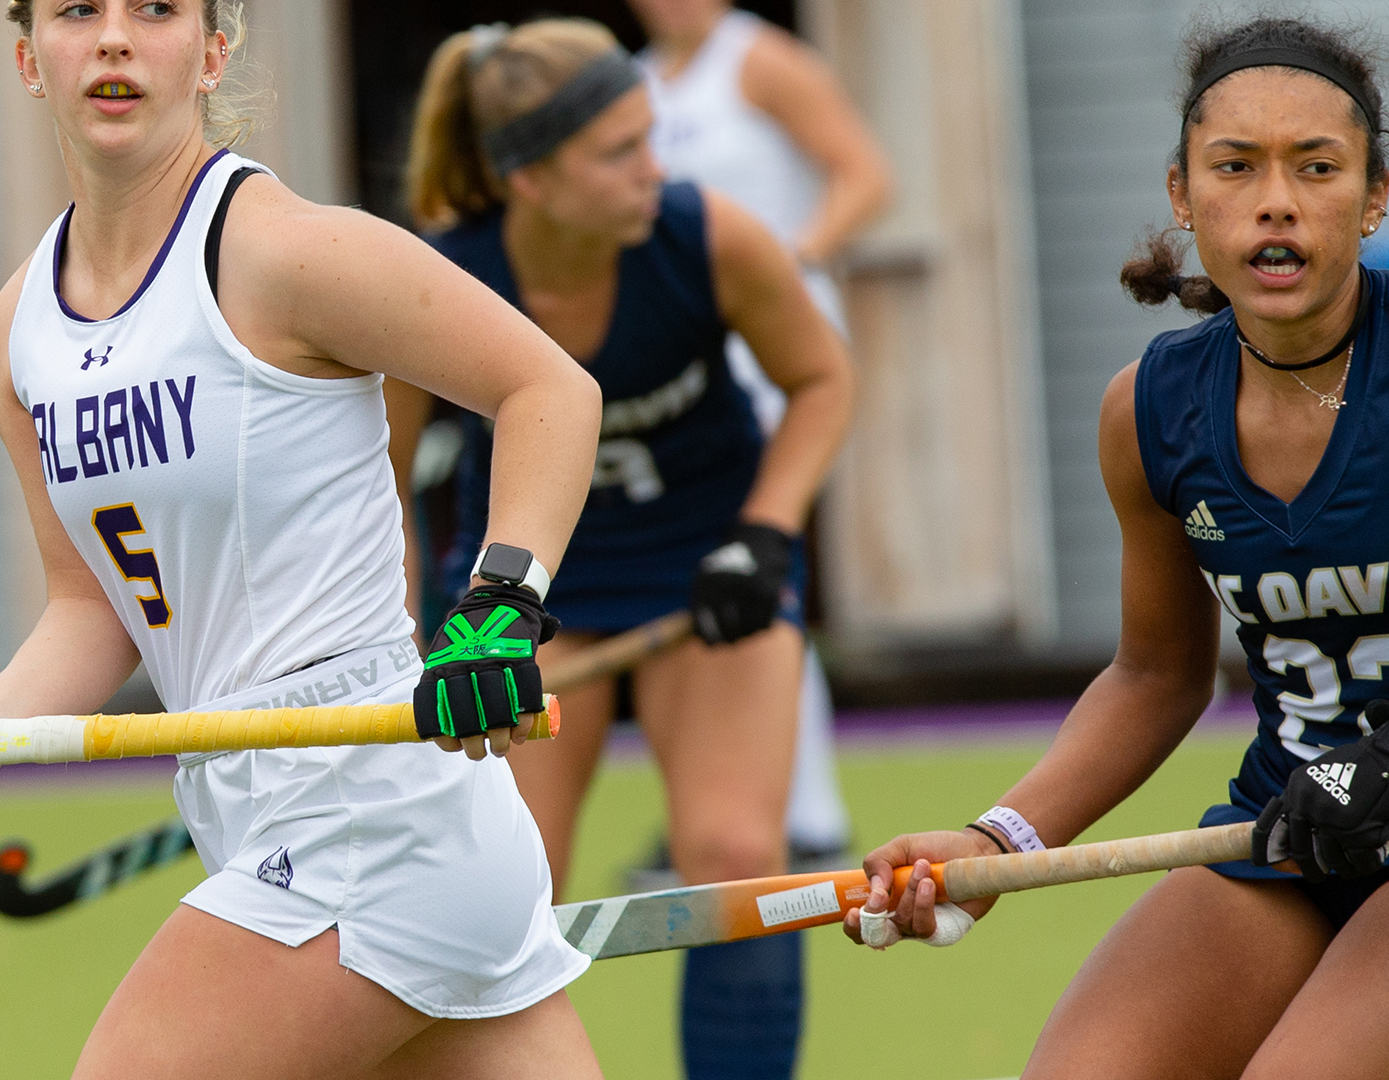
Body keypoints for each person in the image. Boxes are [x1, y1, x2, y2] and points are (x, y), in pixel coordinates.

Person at [846, 15, 1389, 1080]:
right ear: (1181, 193)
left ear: (1374, 195)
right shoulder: (1151, 409)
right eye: (1235, 166)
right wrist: (996, 845)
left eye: (1317, 168)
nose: (1277, 201)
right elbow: (1156, 674)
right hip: (1283, 833)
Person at [0, 2, 604, 1078]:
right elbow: (90, 610)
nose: (113, 39)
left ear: (214, 48)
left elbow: (547, 387)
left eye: (156, 9)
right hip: (263, 811)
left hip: (363, 802)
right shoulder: (20, 330)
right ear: (26, 54)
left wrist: (499, 612)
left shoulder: (286, 251)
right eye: (76, 10)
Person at [397, 18, 854, 1080]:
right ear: (532, 178)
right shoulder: (442, 276)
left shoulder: (708, 237)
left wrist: (765, 532)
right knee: (502, 889)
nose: (658, 168)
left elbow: (822, 381)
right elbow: (379, 473)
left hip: (710, 585)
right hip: (531, 608)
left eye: (653, 137)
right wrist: (410, 628)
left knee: (738, 862)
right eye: (620, 151)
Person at [632, 0, 892, 873]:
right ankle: (751, 808)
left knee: (756, 555)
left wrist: (792, 257)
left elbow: (863, 174)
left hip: (777, 351)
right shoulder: (635, 83)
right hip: (695, 360)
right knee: (723, 566)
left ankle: (800, 814)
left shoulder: (763, 61)